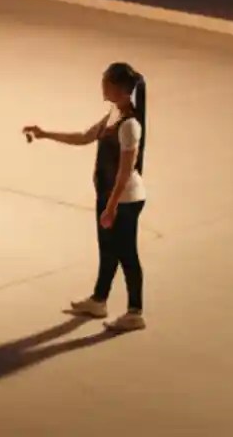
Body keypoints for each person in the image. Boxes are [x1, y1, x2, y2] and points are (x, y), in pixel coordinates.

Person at [22, 63, 148, 332]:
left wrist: (111, 207)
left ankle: (135, 311)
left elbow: (126, 170)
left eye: (106, 81)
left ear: (120, 89)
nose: (102, 85)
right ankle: (99, 300)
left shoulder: (130, 125)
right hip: (108, 195)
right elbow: (83, 137)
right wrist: (45, 133)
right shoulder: (112, 116)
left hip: (125, 200)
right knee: (107, 250)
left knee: (127, 254)